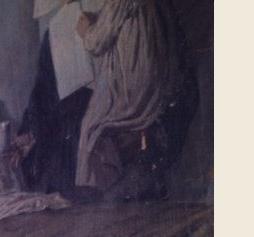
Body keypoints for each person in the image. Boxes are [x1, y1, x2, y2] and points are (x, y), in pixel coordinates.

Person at [73, 0, 196, 200]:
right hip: (163, 82)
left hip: (140, 89)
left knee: (90, 126)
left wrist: (86, 30)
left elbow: (96, 42)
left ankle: (101, 195)